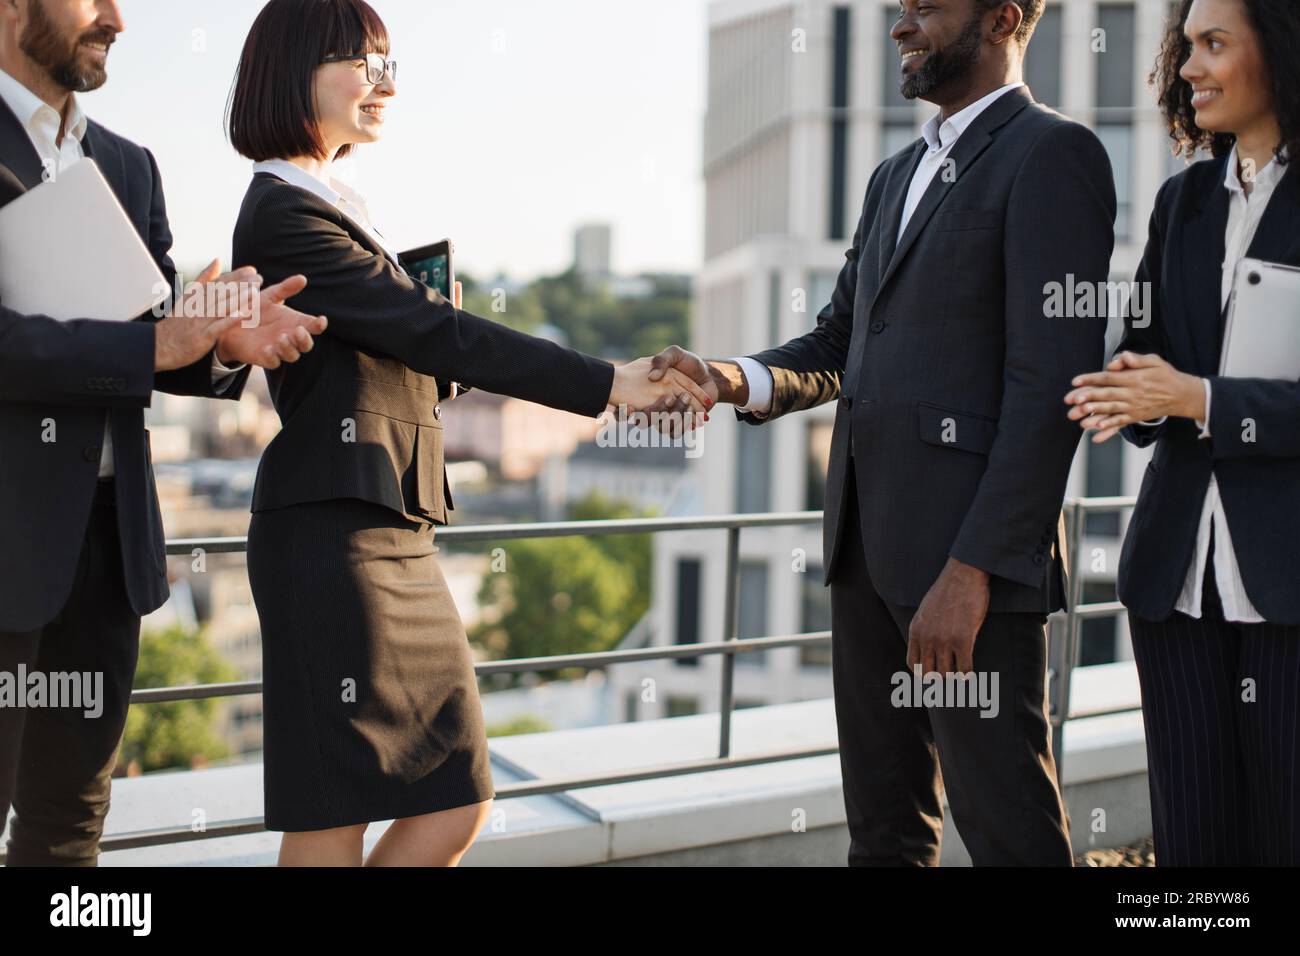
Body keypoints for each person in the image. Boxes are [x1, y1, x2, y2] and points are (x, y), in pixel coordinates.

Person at [226, 0, 715, 867]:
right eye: (361, 62)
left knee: (454, 796)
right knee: (333, 811)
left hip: (390, 530)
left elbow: (406, 358)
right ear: (293, 71)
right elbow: (436, 337)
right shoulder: (282, 211)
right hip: (333, 533)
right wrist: (606, 383)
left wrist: (432, 345)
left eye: (389, 65)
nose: (384, 84)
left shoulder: (340, 205)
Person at [652, 0, 1116, 865]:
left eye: (925, 8)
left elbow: (1049, 390)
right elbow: (837, 343)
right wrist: (730, 379)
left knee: (1008, 827)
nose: (900, 27)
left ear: (1004, 18)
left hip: (969, 574)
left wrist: (972, 573)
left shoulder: (1054, 155)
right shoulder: (892, 176)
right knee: (884, 831)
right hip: (863, 556)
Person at [0, 0, 327, 866]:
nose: (115, 16)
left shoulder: (130, 165)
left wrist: (218, 349)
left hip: (107, 549)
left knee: (69, 825)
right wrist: (159, 341)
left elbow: (152, 345)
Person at [1065, 0, 1300, 866]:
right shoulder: (1184, 200)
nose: (1188, 69)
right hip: (1175, 580)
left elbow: (1198, 390)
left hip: (1288, 590)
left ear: (1278, 52)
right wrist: (1131, 393)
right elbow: (1144, 348)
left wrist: (1202, 397)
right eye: (1186, 47)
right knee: (1195, 853)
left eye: (1213, 45)